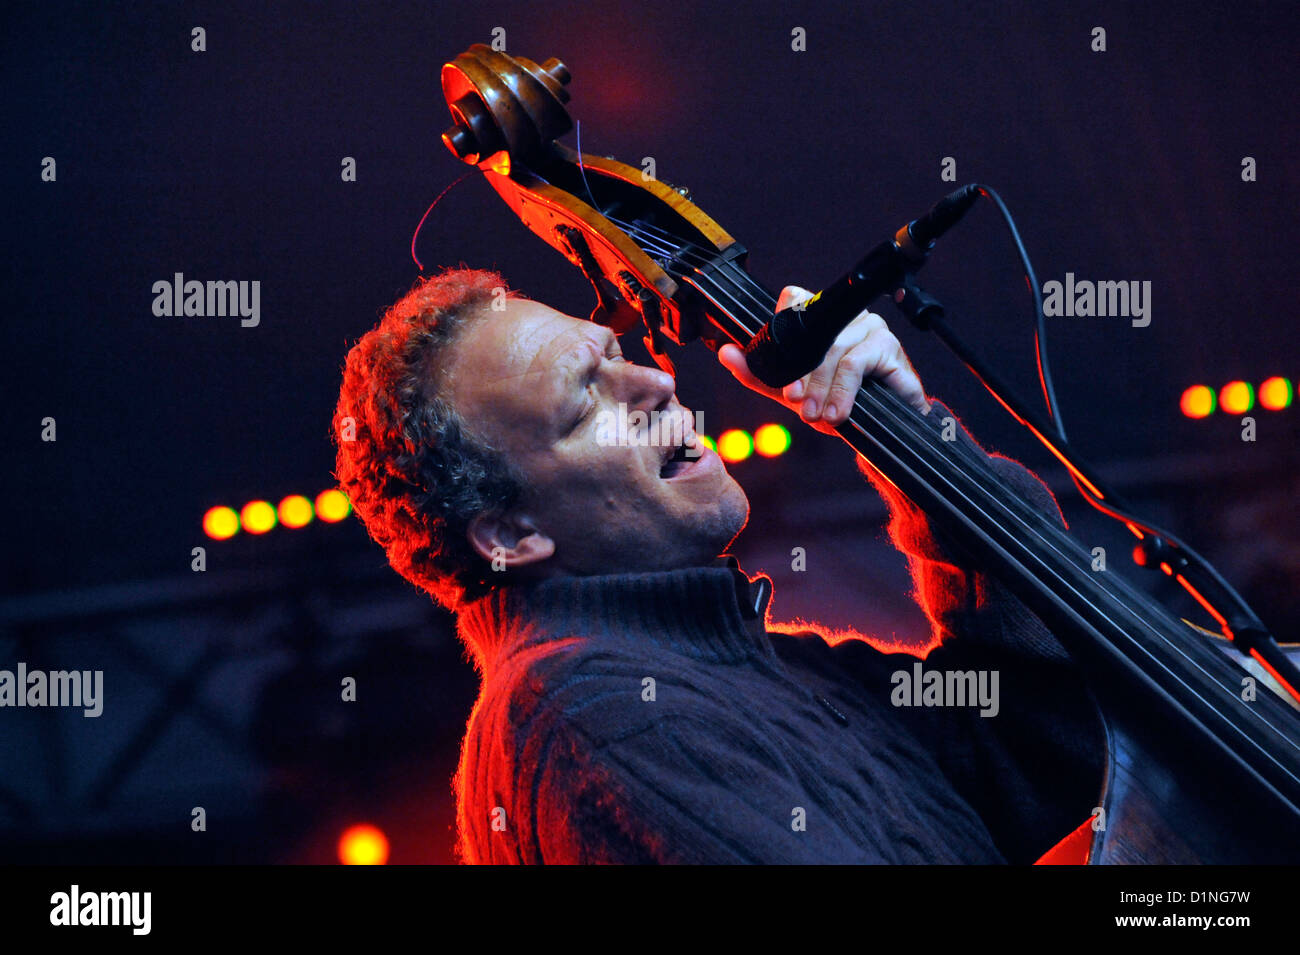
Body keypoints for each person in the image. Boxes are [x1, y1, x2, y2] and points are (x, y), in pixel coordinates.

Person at [332, 266, 1106, 864]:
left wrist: (915, 443)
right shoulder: (590, 716)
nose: (657, 382)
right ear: (511, 534)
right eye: (583, 404)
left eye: (616, 355)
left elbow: (1058, 749)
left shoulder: (769, 668)